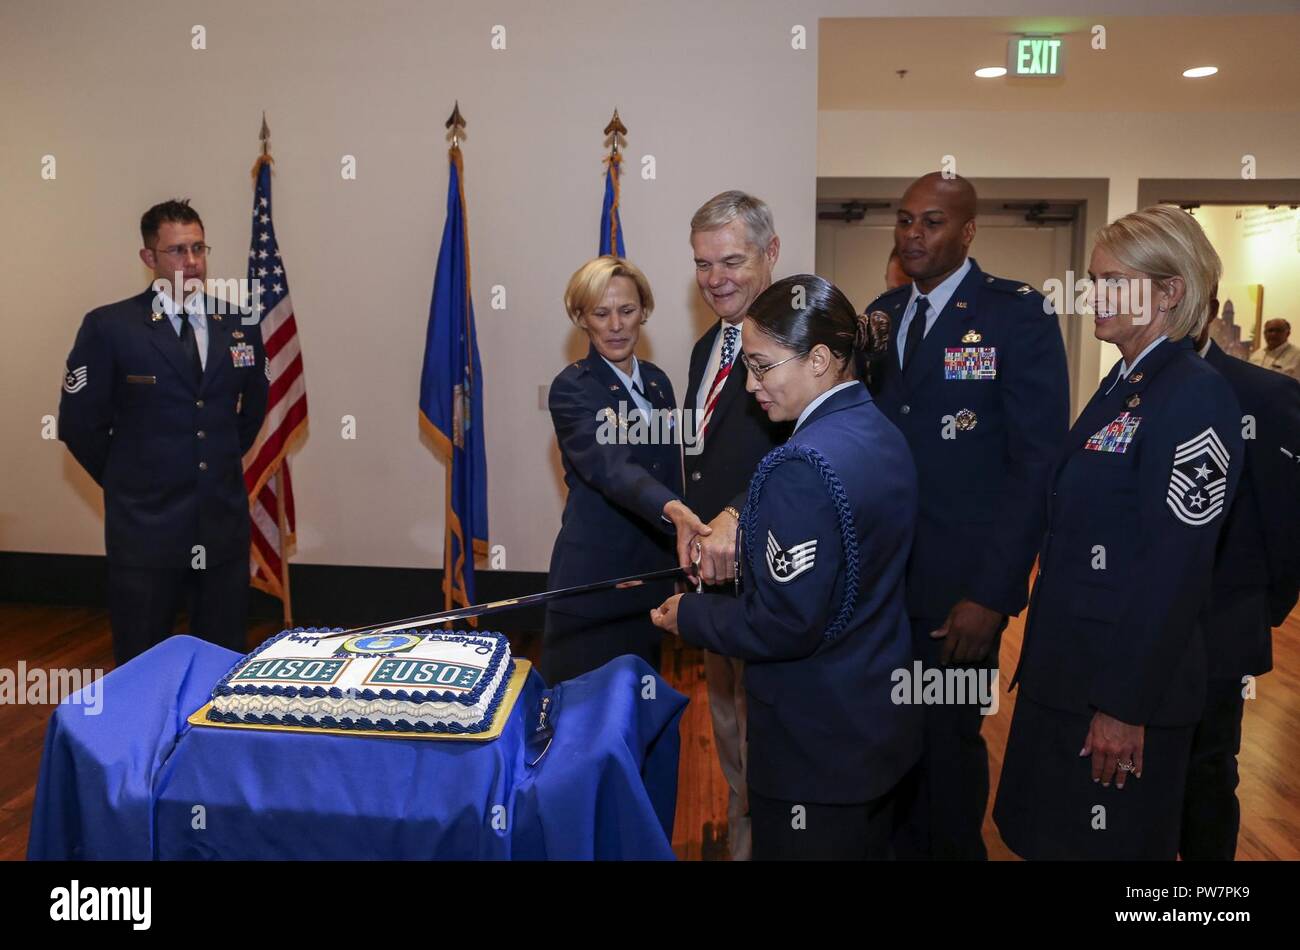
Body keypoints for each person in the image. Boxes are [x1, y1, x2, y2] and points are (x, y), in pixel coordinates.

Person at [994, 205, 1243, 860]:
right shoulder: (1125, 383)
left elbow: (1176, 569)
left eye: (1112, 281)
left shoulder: (1193, 395)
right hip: (1069, 678)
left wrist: (1124, 706)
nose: (1092, 294)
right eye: (1092, 279)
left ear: (1170, 292)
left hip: (1119, 698)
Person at [651, 274, 921, 860]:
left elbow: (785, 624)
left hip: (814, 745)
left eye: (763, 365)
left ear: (820, 359)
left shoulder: (798, 464)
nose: (750, 386)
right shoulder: (884, 431)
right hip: (877, 725)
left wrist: (691, 616)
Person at [864, 172, 1070, 860]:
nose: (914, 235)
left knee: (947, 746)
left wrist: (993, 593)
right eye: (904, 222)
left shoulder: (1017, 315)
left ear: (968, 231)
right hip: (879, 587)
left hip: (960, 592)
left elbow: (1036, 465)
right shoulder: (882, 313)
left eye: (931, 223)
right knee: (883, 741)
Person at [58, 199, 268, 665]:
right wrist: (127, 480)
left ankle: (212, 740)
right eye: (176, 251)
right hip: (146, 532)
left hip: (220, 528)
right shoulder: (111, 327)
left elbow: (253, 407)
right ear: (149, 259)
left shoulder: (238, 323)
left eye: (198, 248)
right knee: (142, 664)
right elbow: (79, 423)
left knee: (222, 662)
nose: (191, 262)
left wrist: (217, 462)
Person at [679, 190, 791, 860]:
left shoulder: (804, 345)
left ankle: (767, 842)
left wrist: (737, 519)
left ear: (771, 253)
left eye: (731, 260)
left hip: (778, 574)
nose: (714, 277)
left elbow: (808, 458)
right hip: (715, 579)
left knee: (770, 731)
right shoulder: (706, 348)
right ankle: (743, 833)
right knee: (727, 723)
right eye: (701, 263)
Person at [542, 256, 706, 684]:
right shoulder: (572, 388)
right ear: (582, 318)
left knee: (639, 716)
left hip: (649, 585)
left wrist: (682, 559)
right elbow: (612, 467)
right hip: (593, 587)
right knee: (578, 725)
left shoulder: (657, 382)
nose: (615, 324)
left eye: (627, 310)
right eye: (601, 313)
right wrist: (675, 510)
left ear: (644, 312)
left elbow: (671, 470)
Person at [1181, 294, 1300, 860]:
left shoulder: (1268, 395)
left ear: (1202, 304)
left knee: (1206, 774)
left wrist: (1254, 610)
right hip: (1124, 629)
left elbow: (1286, 523)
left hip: (1218, 624)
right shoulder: (1119, 391)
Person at [1249, 318, 1300, 382]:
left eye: (1279, 331)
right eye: (1270, 330)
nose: (1274, 334)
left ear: (1287, 334)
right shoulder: (1256, 355)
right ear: (1264, 333)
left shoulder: (1297, 356)